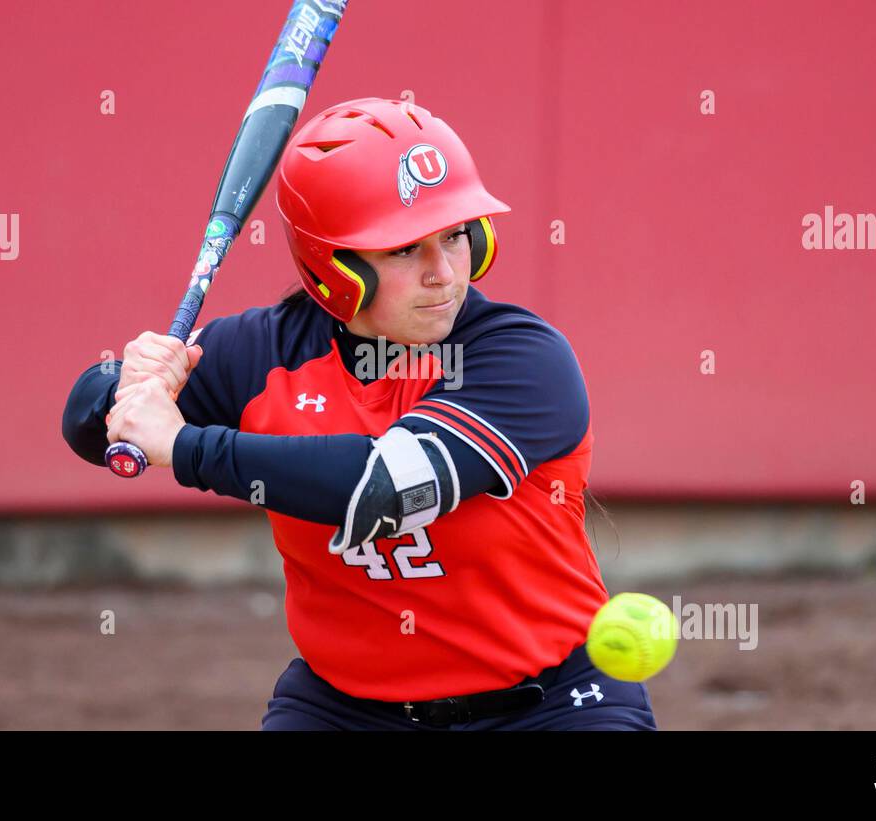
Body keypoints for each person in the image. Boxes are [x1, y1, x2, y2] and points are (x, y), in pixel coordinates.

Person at [62, 97, 656, 730]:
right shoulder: (262, 353)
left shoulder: (522, 356)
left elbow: (389, 491)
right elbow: (88, 425)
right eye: (404, 250)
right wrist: (127, 388)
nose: (443, 274)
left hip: (551, 707)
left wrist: (183, 447)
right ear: (332, 267)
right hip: (346, 711)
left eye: (455, 235)